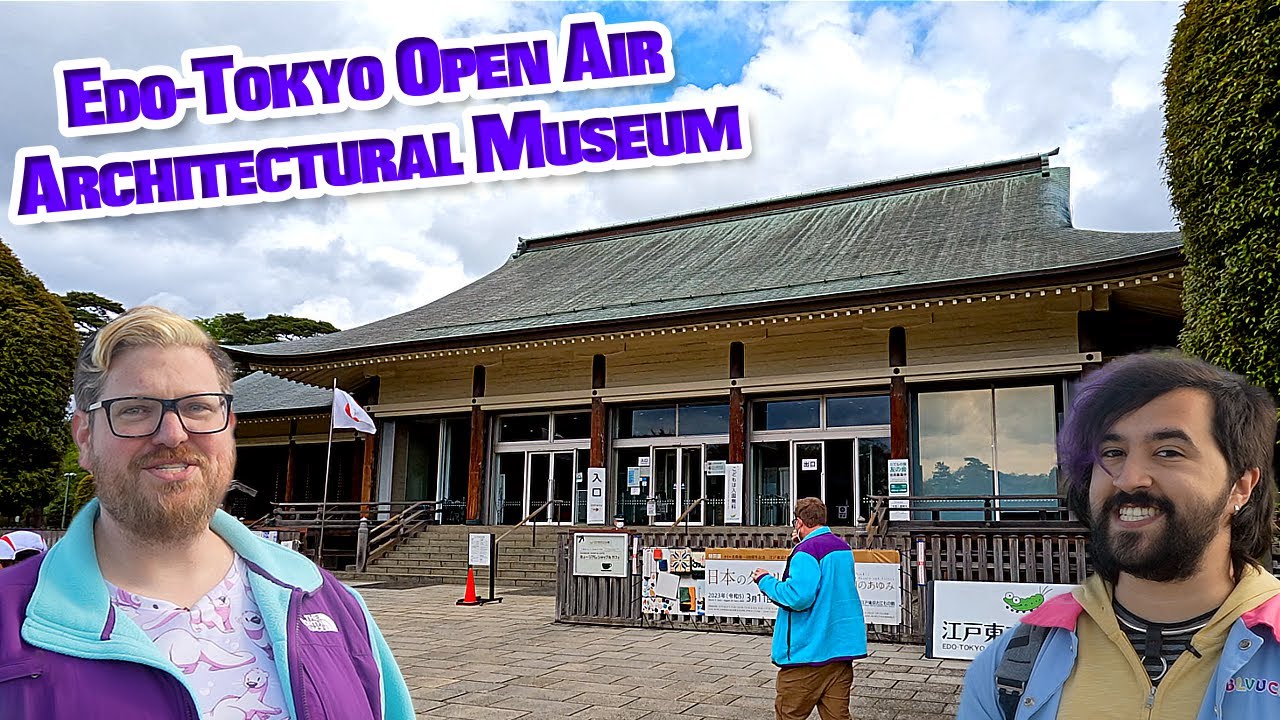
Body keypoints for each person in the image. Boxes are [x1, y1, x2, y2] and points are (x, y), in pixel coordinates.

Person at [0, 306, 414, 719]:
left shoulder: (330, 604)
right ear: (84, 437)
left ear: (229, 427)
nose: (173, 434)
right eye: (135, 409)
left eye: (198, 407)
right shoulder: (7, 619)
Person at [959, 352, 1279, 719]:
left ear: (1241, 486)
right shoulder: (1011, 663)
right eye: (1113, 453)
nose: (1128, 479)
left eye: (1168, 452)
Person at [752, 497, 868, 720]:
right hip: (839, 653)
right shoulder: (842, 547)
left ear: (799, 522)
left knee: (789, 715)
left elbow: (798, 597)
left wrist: (765, 580)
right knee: (837, 717)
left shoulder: (806, 551)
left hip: (807, 655)